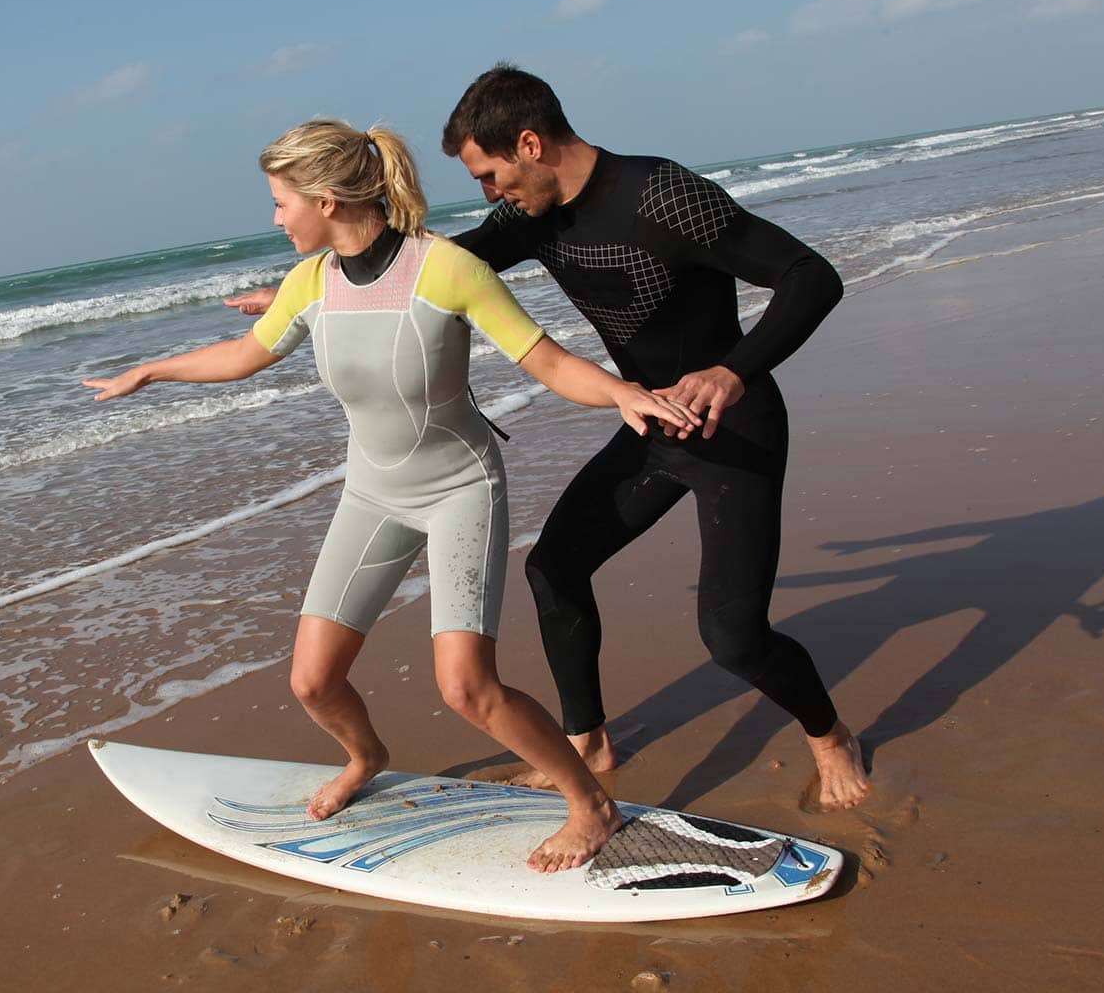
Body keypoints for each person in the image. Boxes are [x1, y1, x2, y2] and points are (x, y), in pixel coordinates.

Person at [227, 67, 871, 812]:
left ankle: (829, 736)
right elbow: (422, 269)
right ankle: (588, 739)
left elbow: (809, 276)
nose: (491, 191)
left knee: (733, 637)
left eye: (492, 173)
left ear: (530, 143)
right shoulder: (532, 216)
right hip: (650, 424)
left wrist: (732, 371)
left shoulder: (661, 194)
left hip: (733, 429)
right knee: (556, 568)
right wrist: (306, 294)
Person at [85, 119, 700, 871]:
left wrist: (619, 395)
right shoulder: (310, 283)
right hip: (373, 495)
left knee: (466, 688)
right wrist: (150, 370)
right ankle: (365, 756)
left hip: (456, 491)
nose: (276, 218)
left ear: (326, 198)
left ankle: (590, 803)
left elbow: (545, 359)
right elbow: (246, 354)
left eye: (281, 202)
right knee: (313, 680)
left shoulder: (444, 269)